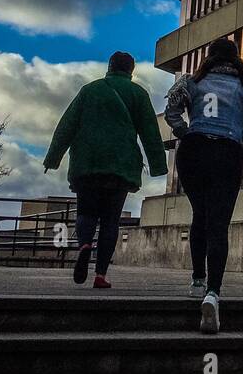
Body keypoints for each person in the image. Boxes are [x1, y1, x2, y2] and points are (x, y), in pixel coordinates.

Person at [164, 36, 243, 333]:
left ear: (209, 57)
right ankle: (213, 292)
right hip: (227, 151)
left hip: (194, 149)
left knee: (200, 214)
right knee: (219, 223)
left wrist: (184, 130)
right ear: (236, 59)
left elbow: (172, 109)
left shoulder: (191, 82)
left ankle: (197, 280)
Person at [43, 51, 168, 288]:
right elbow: (150, 132)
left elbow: (66, 125)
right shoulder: (138, 94)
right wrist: (158, 166)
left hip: (88, 163)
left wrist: (53, 158)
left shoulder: (89, 90)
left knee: (86, 212)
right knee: (111, 220)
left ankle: (84, 245)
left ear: (110, 67)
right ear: (131, 70)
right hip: (120, 166)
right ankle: (100, 275)